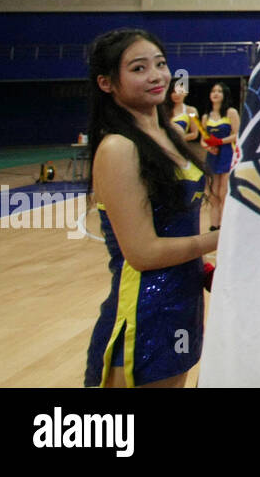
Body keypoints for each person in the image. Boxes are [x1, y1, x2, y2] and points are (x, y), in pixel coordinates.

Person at [84, 28, 217, 388]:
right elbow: (142, 253)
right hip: (143, 313)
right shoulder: (117, 148)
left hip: (184, 304)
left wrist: (202, 268)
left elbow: (174, 227)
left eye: (160, 64)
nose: (157, 75)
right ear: (107, 83)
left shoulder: (170, 134)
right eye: (139, 68)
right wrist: (218, 239)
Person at [201, 82, 239, 230]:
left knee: (224, 193)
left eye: (219, 91)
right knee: (213, 193)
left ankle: (226, 226)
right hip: (213, 155)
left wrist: (220, 141)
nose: (216, 93)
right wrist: (208, 147)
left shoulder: (231, 112)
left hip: (227, 154)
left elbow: (237, 134)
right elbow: (203, 139)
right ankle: (214, 225)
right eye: (213, 91)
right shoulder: (205, 116)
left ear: (225, 95)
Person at [169, 77, 201, 144]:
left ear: (186, 93)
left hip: (181, 146)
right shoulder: (163, 110)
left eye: (180, 91)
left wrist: (177, 140)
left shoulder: (192, 111)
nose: (177, 94)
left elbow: (195, 134)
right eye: (174, 92)